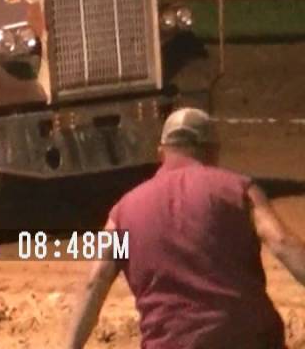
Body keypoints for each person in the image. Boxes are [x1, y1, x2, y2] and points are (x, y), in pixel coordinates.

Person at [66, 107, 305, 349]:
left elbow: (94, 281)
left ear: (161, 153)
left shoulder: (123, 213)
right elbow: (282, 243)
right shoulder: (238, 190)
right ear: (212, 150)